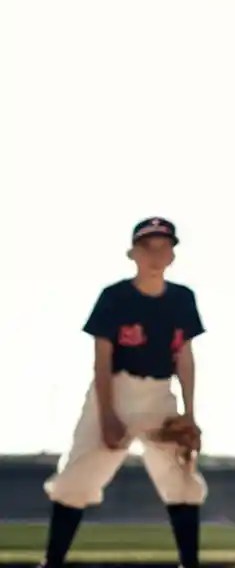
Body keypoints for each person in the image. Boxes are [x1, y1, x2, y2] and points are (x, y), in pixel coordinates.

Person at [40, 217, 207, 568]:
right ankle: (52, 563)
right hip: (115, 389)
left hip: (160, 394)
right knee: (77, 477)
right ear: (133, 253)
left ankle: (190, 564)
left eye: (164, 247)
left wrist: (189, 413)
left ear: (173, 255)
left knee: (181, 478)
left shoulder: (182, 299)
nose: (156, 254)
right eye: (148, 247)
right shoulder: (115, 297)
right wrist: (109, 416)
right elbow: (101, 361)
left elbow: (185, 359)